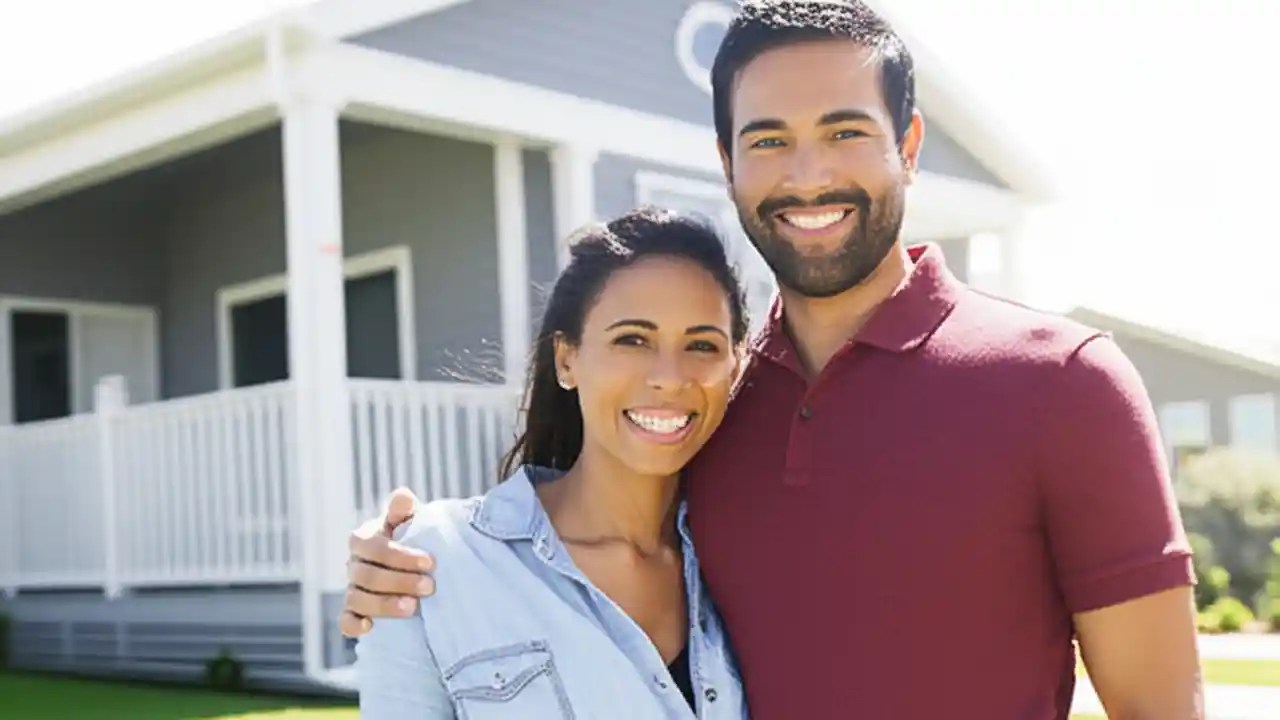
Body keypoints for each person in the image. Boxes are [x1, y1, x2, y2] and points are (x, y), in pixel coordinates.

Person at [344, 2, 1203, 718]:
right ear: (726, 165)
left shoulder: (1064, 384)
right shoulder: (708, 411)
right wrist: (411, 562)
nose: (807, 174)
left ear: (907, 145)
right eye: (767, 140)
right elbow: (576, 539)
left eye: (844, 131)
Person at [355, 207, 752, 719]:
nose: (670, 378)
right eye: (632, 339)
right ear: (567, 359)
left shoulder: (748, 566)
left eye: (702, 345)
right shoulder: (435, 563)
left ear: (735, 367)